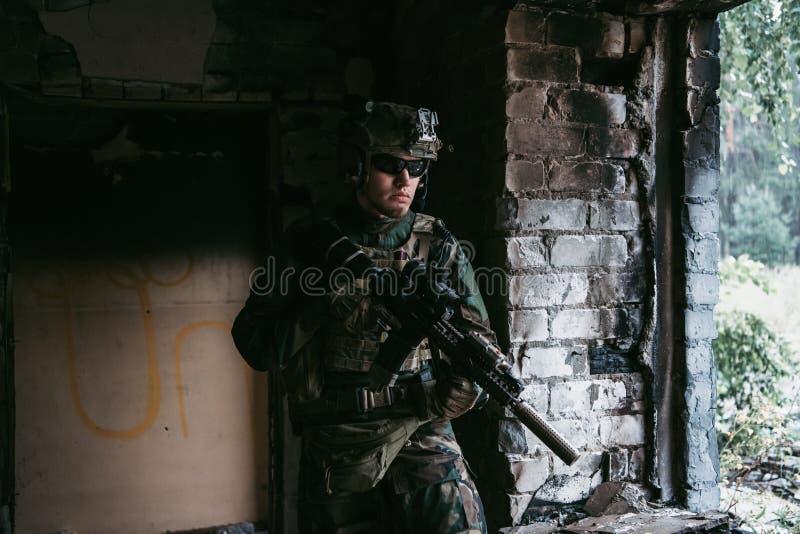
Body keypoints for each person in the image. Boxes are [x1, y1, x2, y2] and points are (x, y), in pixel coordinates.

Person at [232, 100, 493, 534]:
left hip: (421, 427)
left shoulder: (440, 245)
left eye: (419, 167)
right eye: (390, 164)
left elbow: (481, 344)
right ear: (356, 165)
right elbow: (255, 344)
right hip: (340, 437)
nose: (406, 180)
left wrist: (468, 387)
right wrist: (321, 304)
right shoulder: (310, 243)